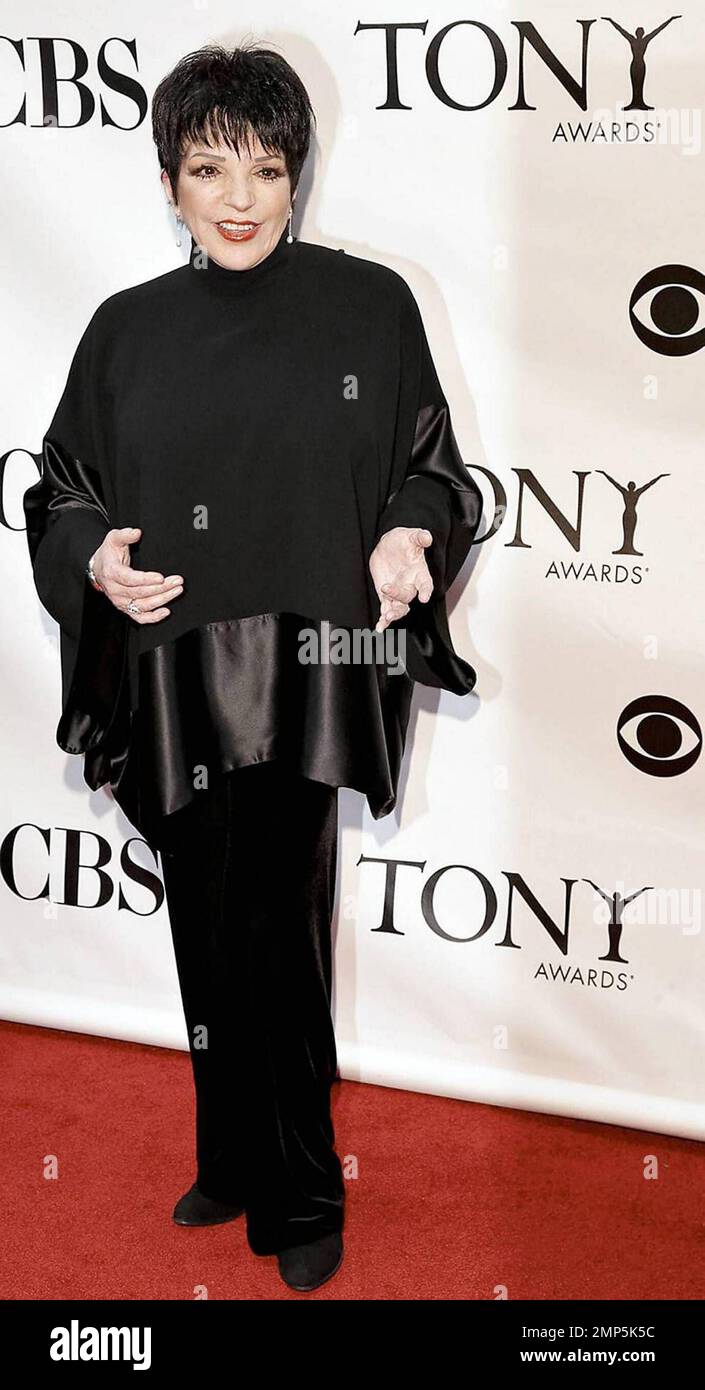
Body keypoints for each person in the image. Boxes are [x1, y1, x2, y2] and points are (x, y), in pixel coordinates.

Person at [23, 41, 482, 1293]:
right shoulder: (126, 331)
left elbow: (436, 471)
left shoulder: (368, 307)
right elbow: (60, 488)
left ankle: (301, 1189)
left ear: (299, 175)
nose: (238, 196)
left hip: (307, 666)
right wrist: (93, 561)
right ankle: (229, 1152)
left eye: (267, 168)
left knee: (275, 925)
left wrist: (409, 532)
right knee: (201, 921)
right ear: (168, 178)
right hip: (171, 673)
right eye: (208, 166)